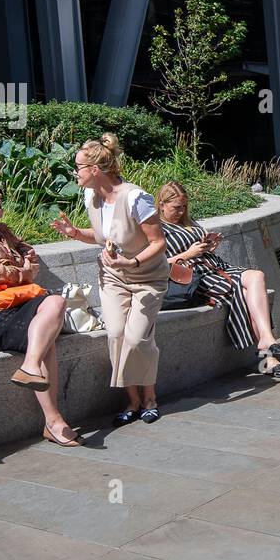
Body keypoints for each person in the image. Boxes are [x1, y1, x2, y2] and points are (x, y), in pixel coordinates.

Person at [0, 178, 81, 447]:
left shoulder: (2, 231)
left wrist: (21, 259)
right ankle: (53, 421)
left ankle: (35, 379)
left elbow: (27, 251)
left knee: (50, 315)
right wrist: (24, 270)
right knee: (47, 330)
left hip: (12, 309)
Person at [51, 134, 170, 425]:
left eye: (78, 166)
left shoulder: (134, 197)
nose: (74, 172)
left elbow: (158, 241)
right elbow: (105, 237)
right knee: (116, 335)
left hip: (147, 276)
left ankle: (150, 398)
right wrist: (76, 233)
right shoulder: (90, 197)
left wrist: (132, 260)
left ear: (94, 170)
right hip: (113, 276)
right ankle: (132, 401)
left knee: (137, 338)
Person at [155, 181, 280, 380]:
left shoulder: (187, 221)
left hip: (217, 267)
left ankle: (266, 342)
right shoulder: (156, 229)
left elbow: (199, 245)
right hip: (198, 278)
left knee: (257, 276)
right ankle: (269, 356)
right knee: (247, 292)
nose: (181, 211)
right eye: (176, 207)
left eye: (184, 206)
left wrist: (209, 245)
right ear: (162, 204)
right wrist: (189, 253)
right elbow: (156, 264)